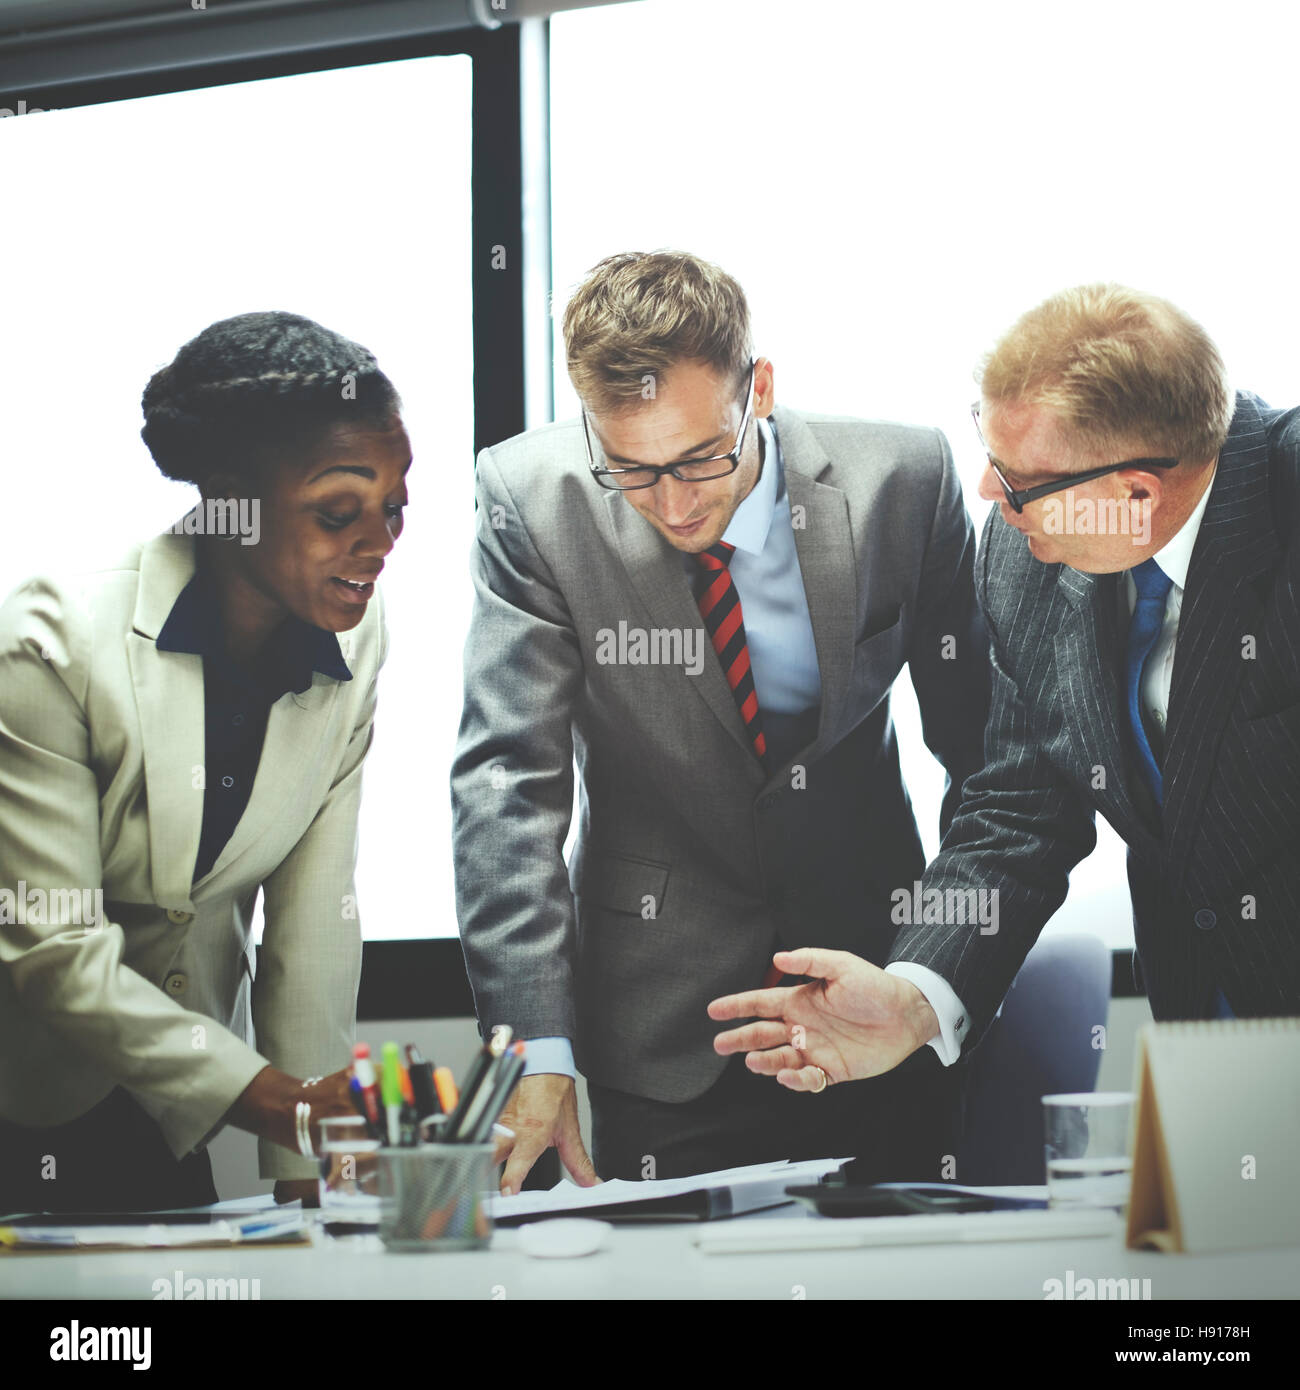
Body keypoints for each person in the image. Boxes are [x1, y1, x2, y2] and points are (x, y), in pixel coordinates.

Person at [451, 250, 989, 1188]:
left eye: (702, 457)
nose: (674, 502)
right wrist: (540, 1050)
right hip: (659, 1035)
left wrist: (930, 973)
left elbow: (991, 765)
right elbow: (508, 790)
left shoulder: (905, 480)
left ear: (761, 389)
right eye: (632, 470)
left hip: (876, 1000)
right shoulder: (531, 503)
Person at [708, 283, 1300, 1093]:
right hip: (1214, 1042)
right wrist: (916, 995)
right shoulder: (1029, 552)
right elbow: (1020, 802)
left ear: (1135, 495)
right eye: (991, 450)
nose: (988, 490)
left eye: (1020, 480)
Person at [0, 311, 410, 1211]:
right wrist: (282, 1105)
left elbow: (313, 927)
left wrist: (314, 1177)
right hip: (20, 1100)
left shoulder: (354, 632)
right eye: (338, 512)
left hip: (165, 1109)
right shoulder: (53, 640)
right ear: (228, 500)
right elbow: (54, 946)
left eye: (394, 506)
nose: (379, 543)